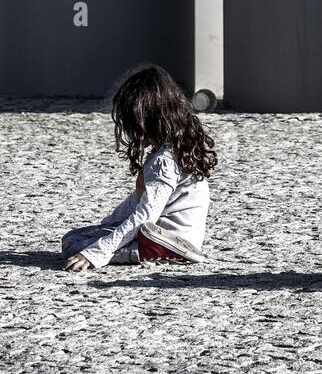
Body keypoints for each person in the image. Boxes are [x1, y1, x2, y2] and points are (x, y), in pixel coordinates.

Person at [62, 65, 216, 272]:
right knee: (74, 237)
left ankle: (155, 253)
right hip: (179, 234)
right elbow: (137, 199)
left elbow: (144, 215)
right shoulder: (174, 148)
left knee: (75, 244)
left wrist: (96, 253)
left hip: (166, 239)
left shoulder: (164, 161)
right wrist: (109, 224)